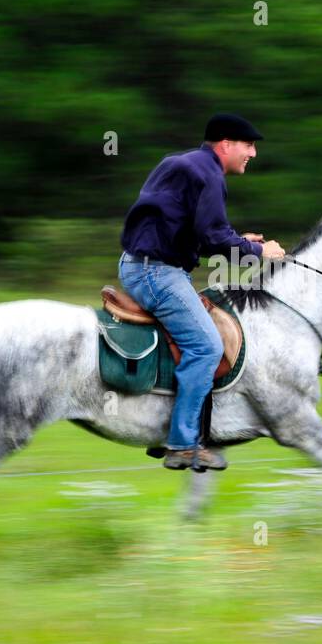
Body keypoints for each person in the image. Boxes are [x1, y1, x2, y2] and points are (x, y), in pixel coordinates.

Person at [118, 113, 286, 470]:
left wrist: (240, 241)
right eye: (249, 145)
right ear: (225, 144)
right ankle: (181, 443)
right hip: (157, 273)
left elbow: (185, 231)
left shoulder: (180, 164)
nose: (253, 154)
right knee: (207, 345)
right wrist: (260, 252)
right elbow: (211, 237)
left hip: (140, 265)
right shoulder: (209, 175)